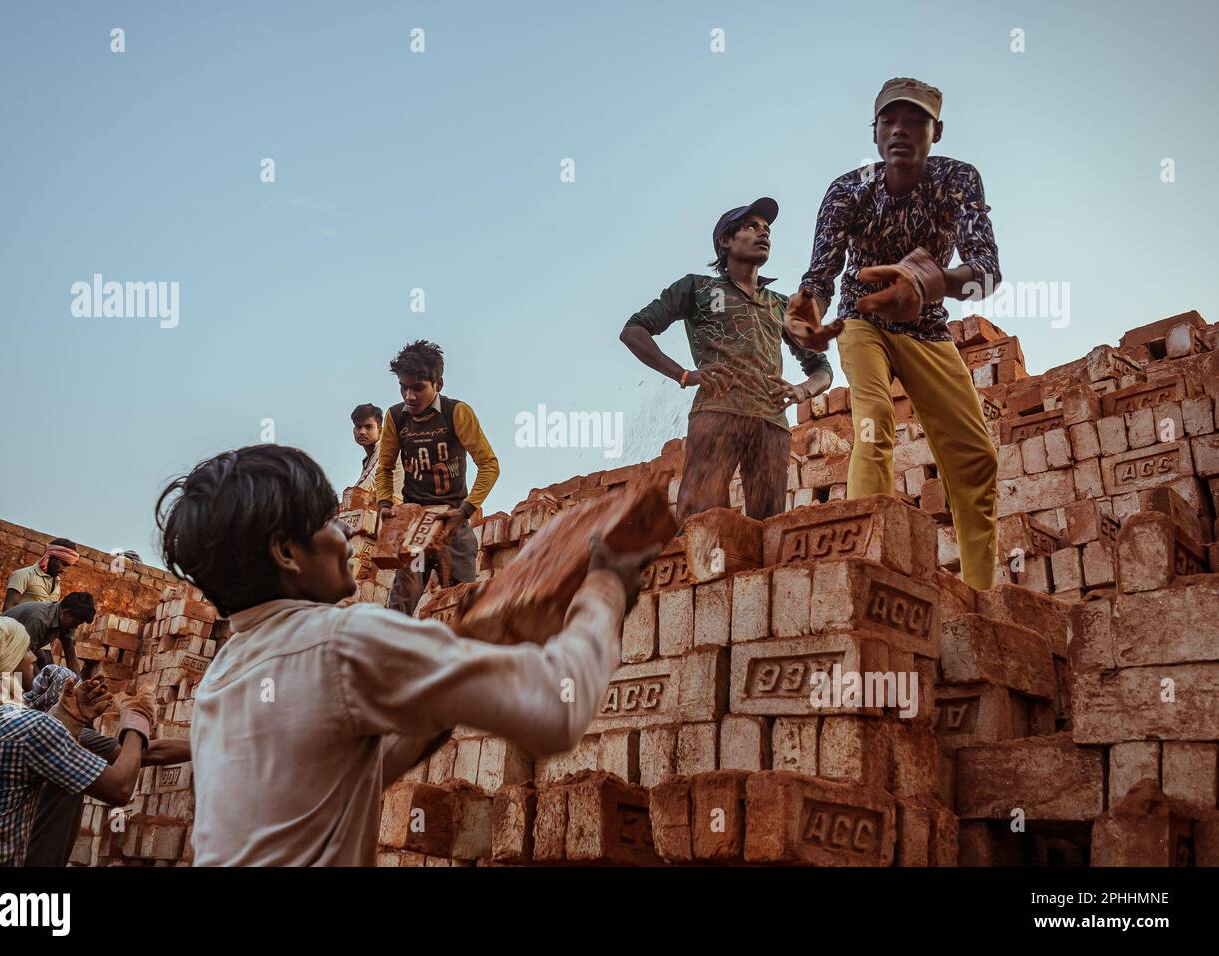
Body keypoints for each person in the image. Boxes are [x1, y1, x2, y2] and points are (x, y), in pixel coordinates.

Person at [155, 443, 655, 866]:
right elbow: (557, 709)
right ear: (286, 553)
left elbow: (350, 787)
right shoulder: (342, 641)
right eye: (329, 523)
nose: (348, 534)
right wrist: (603, 592)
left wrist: (466, 662)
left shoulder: (221, 677)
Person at [786, 77, 1001, 590]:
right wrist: (807, 313)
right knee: (875, 420)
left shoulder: (958, 181)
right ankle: (870, 566)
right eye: (889, 121)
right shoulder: (848, 189)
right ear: (875, 133)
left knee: (976, 458)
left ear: (937, 131)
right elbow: (822, 274)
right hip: (863, 324)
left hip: (929, 332)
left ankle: (980, 595)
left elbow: (987, 273)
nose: (901, 131)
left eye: (915, 122)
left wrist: (935, 282)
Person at [620, 198, 833, 523]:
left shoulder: (781, 305)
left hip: (771, 424)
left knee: (770, 525)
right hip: (717, 416)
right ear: (725, 240)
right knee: (700, 521)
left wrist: (803, 390)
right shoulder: (698, 287)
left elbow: (822, 368)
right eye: (751, 227)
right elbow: (634, 331)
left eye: (767, 230)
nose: (764, 234)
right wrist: (683, 375)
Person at [0, 616, 152, 866]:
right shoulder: (31, 728)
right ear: (6, 659)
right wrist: (136, 719)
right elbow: (120, 788)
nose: (33, 658)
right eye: (25, 650)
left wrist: (69, 718)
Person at [374, 341, 500, 615]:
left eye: (418, 387)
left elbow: (489, 465)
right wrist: (384, 503)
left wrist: (465, 510)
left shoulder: (457, 413)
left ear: (438, 384)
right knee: (397, 612)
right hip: (414, 529)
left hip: (452, 525)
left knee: (461, 609)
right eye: (403, 387)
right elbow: (384, 469)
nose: (409, 396)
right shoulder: (396, 417)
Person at [22, 664, 192, 867]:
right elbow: (138, 763)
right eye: (76, 693)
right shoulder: (67, 737)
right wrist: (137, 719)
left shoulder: (22, 731)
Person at [4, 591, 96, 673]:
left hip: (19, 649)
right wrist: (42, 685)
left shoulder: (64, 619)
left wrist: (78, 685)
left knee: (45, 663)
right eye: (75, 623)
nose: (75, 627)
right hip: (0, 649)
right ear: (65, 613)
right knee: (33, 685)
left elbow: (70, 651)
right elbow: (23, 657)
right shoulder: (40, 619)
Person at [3, 538, 79, 610]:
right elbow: (8, 609)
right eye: (64, 564)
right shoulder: (24, 574)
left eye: (67, 566)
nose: (64, 570)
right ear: (52, 558)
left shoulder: (56, 583)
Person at [350, 402, 404, 503]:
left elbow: (364, 487)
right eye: (358, 427)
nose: (362, 432)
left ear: (381, 431)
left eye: (368, 427)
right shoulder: (368, 459)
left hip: (395, 510)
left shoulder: (384, 448)